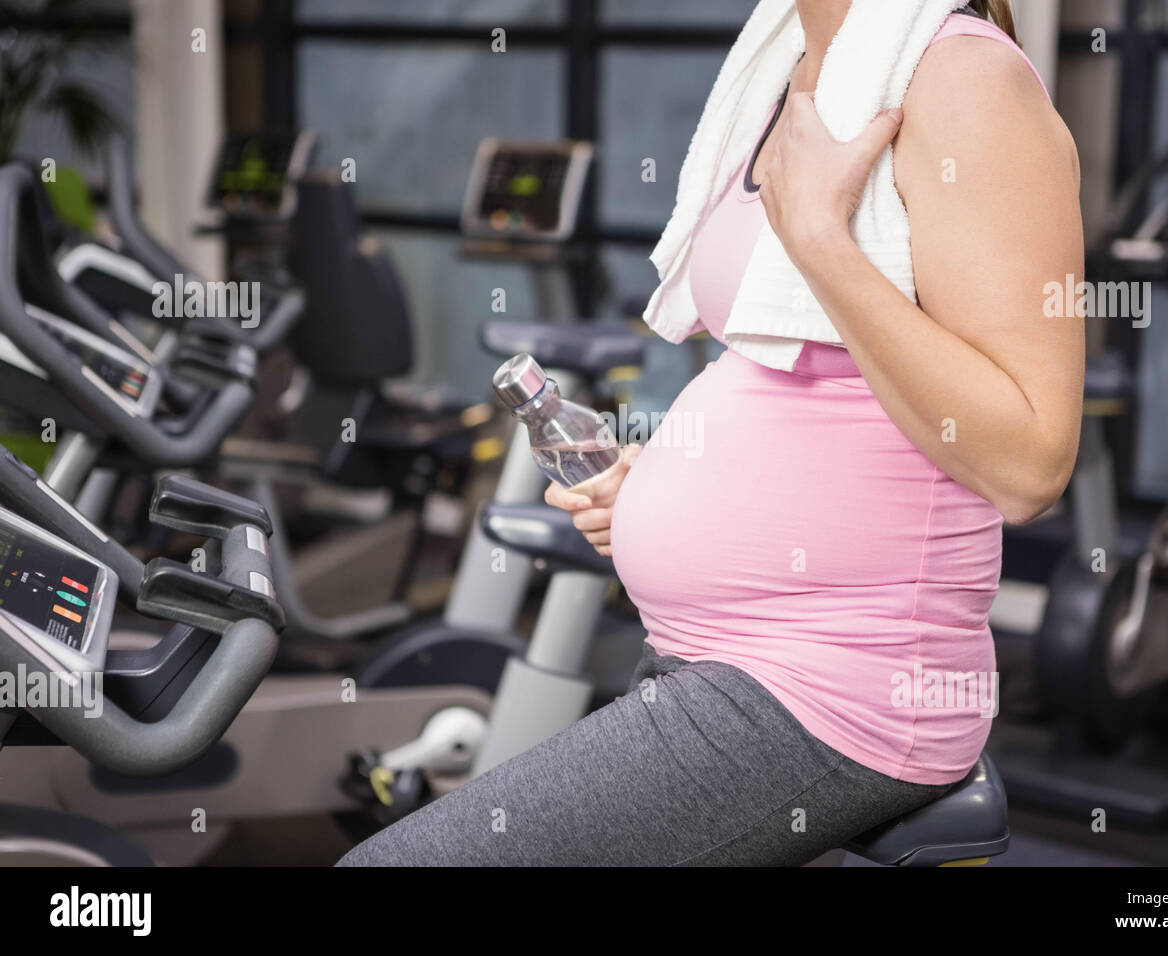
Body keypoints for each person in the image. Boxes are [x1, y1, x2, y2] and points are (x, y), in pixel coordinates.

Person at [338, 0, 1083, 867]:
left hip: (837, 686)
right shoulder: (802, 61)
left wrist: (817, 236)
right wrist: (658, 480)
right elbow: (808, 376)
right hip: (724, 657)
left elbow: (1032, 461)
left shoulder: (965, 81)